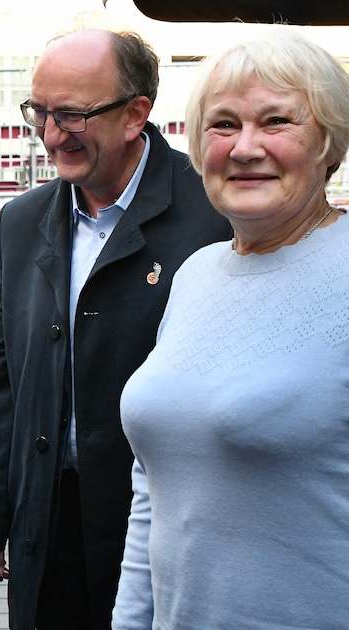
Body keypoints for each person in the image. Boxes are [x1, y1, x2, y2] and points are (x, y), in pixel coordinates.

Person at [0, 28, 233, 629]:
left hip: (163, 526)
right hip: (48, 523)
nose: (52, 136)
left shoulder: (214, 218)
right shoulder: (22, 220)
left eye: (73, 114)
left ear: (137, 114)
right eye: (40, 111)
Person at [112, 29, 349, 629]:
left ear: (329, 141)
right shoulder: (196, 274)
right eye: (222, 125)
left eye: (277, 121)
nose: (245, 148)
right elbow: (155, 489)